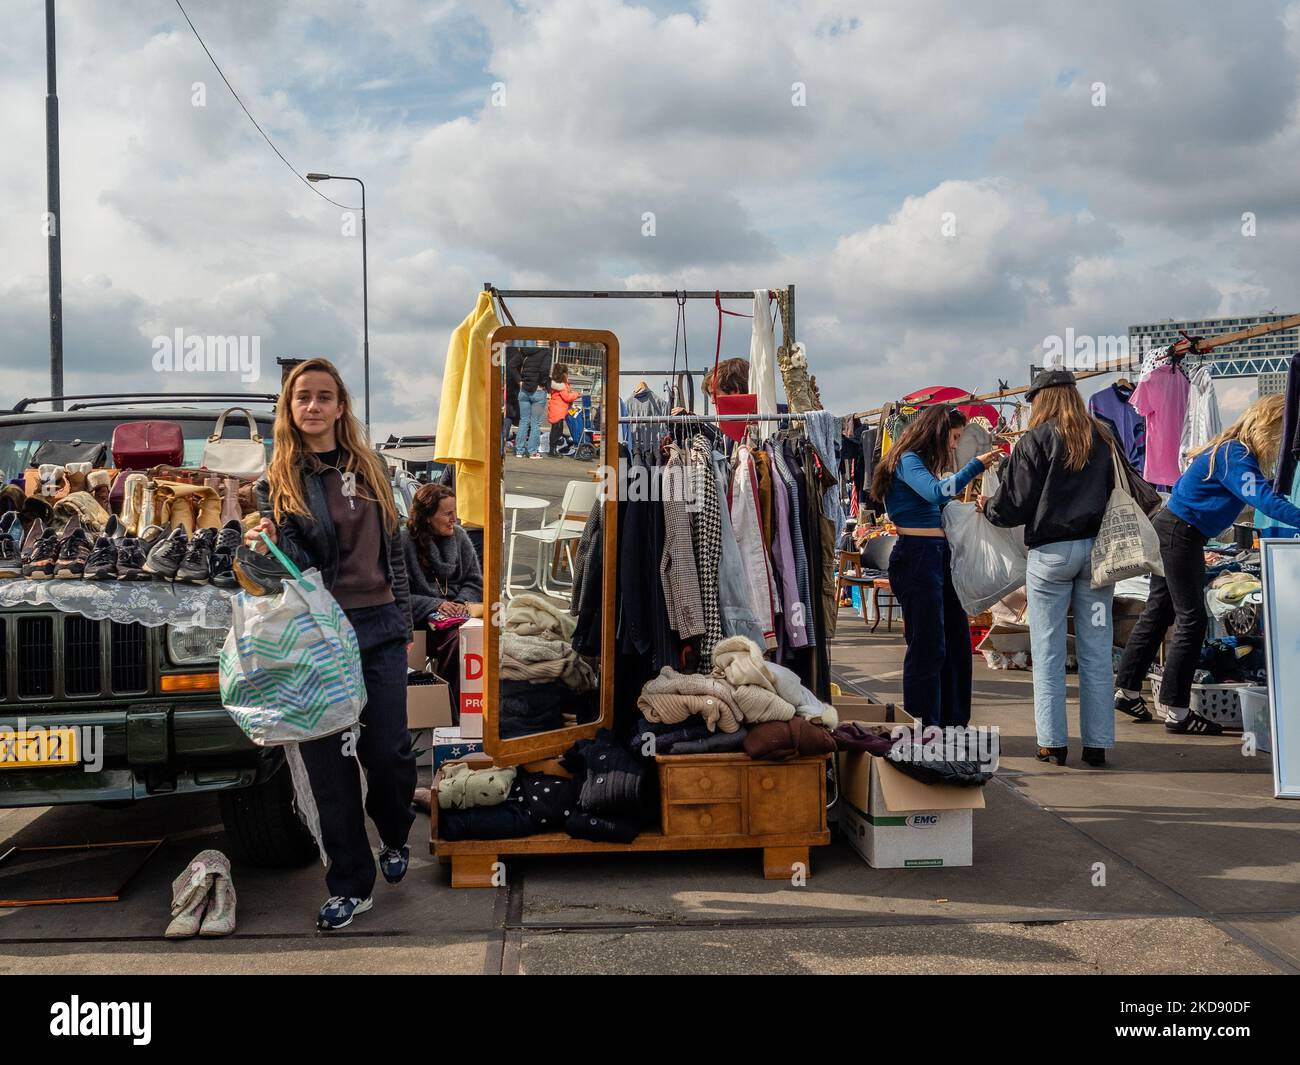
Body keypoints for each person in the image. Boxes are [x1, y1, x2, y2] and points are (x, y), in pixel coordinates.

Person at [246, 357, 414, 932]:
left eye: (324, 397)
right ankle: (350, 884)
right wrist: (265, 543)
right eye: (302, 398)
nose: (313, 406)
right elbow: (282, 573)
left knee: (388, 753)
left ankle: (395, 834)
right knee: (331, 771)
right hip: (318, 640)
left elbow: (397, 553)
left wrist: (403, 614)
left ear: (341, 406)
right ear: (289, 410)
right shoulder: (280, 481)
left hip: (381, 629)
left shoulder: (374, 469)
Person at [1113, 393, 1300, 735]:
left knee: (1160, 612)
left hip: (1172, 529)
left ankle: (1126, 689)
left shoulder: (1228, 451)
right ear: (1270, 427)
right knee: (1192, 620)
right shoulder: (1237, 454)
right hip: (1181, 534)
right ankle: (1178, 710)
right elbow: (1264, 500)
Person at [980, 369, 1116, 767]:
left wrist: (988, 507)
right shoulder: (1103, 435)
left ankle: (1052, 745)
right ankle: (1098, 745)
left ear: (1041, 400)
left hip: (1051, 556)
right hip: (1097, 556)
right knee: (1095, 651)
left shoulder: (1034, 440)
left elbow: (1012, 507)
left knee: (1048, 650)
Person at [869, 404, 1000, 730]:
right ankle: (926, 724)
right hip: (917, 557)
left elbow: (940, 500)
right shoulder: (908, 460)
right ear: (939, 432)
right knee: (929, 646)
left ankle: (951, 722)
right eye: (954, 437)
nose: (955, 445)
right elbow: (936, 492)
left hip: (937, 556)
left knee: (955, 642)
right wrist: (974, 467)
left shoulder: (920, 464)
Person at [401, 482, 483, 700]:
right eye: (447, 513)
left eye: (455, 512)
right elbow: (398, 594)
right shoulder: (404, 542)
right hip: (420, 623)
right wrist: (434, 605)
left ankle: (483, 704)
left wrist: (462, 602)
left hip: (460, 613)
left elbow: (475, 581)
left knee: (486, 635)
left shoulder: (460, 537)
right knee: (458, 641)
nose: (454, 519)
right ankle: (453, 705)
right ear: (427, 516)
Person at [516, 347, 550, 459]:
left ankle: (519, 451)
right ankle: (532, 452)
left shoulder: (524, 351)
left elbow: (512, 366)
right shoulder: (545, 352)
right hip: (538, 393)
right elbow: (544, 370)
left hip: (524, 391)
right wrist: (543, 383)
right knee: (535, 423)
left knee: (523, 420)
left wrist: (520, 381)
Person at [547, 364, 580, 457]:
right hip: (558, 411)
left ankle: (553, 450)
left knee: (556, 431)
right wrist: (576, 394)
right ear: (564, 374)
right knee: (556, 432)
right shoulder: (561, 386)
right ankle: (552, 451)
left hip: (556, 410)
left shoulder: (557, 384)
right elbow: (567, 397)